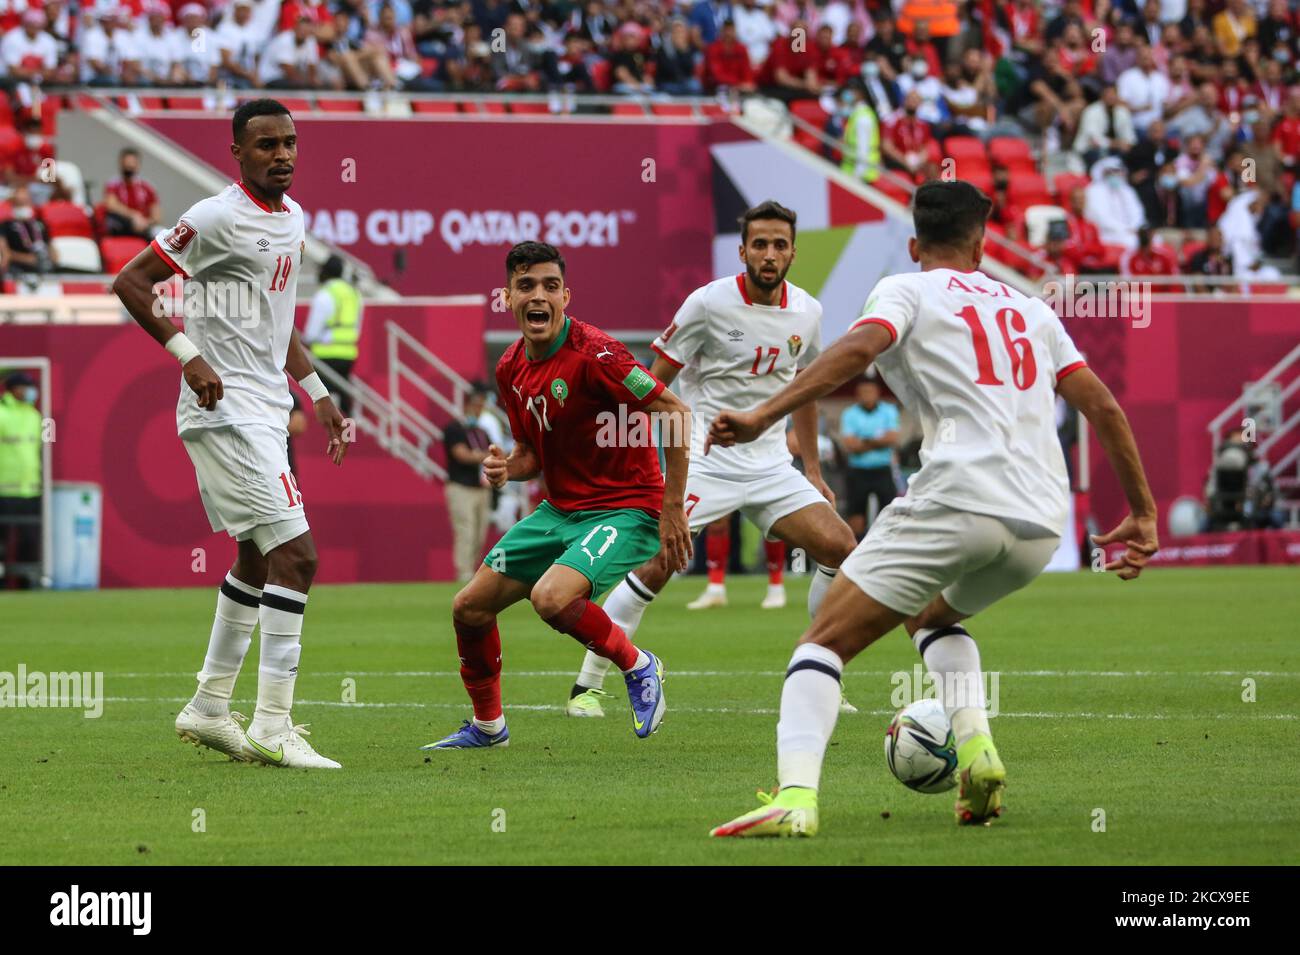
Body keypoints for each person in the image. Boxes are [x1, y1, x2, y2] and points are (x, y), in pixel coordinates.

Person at [708, 180, 1158, 837]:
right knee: (930, 615)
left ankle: (795, 797)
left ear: (915, 244)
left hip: (958, 497)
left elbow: (859, 349)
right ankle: (978, 752)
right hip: (1039, 521)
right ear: (981, 244)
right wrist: (1142, 512)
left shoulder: (906, 289)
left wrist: (760, 414)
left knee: (823, 641)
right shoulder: (1033, 310)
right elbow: (1104, 407)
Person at [112, 99, 350, 770]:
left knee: (255, 556)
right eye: (267, 144)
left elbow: (278, 325)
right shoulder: (214, 217)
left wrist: (321, 392)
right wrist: (188, 352)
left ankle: (210, 707)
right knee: (298, 557)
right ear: (237, 153)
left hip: (267, 409)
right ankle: (274, 722)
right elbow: (131, 280)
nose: (283, 154)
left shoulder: (294, 218)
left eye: (290, 142)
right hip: (225, 414)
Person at [563, 201, 858, 719]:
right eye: (760, 244)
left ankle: (822, 671)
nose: (769, 254)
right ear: (742, 250)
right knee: (659, 562)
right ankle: (588, 685)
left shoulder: (808, 312)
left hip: (771, 468)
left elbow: (806, 391)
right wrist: (645, 461)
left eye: (779, 245)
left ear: (793, 252)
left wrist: (812, 470)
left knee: (840, 548)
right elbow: (656, 383)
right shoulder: (707, 304)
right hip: (705, 461)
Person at [422, 241, 692, 749]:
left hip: (626, 506)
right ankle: (488, 728)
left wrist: (672, 507)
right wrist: (508, 467)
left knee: (551, 598)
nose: (538, 295)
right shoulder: (509, 369)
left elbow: (675, 412)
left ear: (566, 296)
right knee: (469, 608)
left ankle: (638, 665)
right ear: (508, 297)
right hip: (561, 511)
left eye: (550, 286)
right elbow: (531, 453)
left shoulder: (599, 354)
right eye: (526, 286)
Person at [302, 254, 362, 417]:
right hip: (348, 355)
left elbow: (311, 333)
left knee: (323, 398)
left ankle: (335, 430)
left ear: (327, 272)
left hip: (325, 355)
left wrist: (304, 341)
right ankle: (349, 430)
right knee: (343, 397)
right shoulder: (353, 293)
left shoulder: (325, 294)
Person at [443, 388, 493, 583]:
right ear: (466, 406)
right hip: (461, 488)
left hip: (481, 487)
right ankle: (463, 573)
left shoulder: (482, 431)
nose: (479, 410)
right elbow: (461, 454)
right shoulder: (454, 429)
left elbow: (495, 453)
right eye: (476, 406)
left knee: (480, 534)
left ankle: (471, 571)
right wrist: (484, 456)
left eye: (481, 406)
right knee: (466, 530)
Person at [839, 376, 898, 539]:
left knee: (889, 512)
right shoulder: (849, 414)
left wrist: (863, 441)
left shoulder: (888, 411)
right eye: (863, 392)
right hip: (858, 471)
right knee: (856, 513)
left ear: (877, 392)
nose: (867, 395)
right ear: (858, 394)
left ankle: (886, 547)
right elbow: (850, 445)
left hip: (882, 470)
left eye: (870, 391)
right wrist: (878, 441)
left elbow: (892, 438)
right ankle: (855, 550)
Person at [0, 370, 43, 589]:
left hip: (31, 490)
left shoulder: (37, 416)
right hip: (4, 490)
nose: (29, 392)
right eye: (24, 387)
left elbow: (48, 446)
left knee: (30, 540)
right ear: (13, 389)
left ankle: (29, 581)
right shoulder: (1, 414)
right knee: (2, 542)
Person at [103, 148, 163, 239]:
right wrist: (134, 216)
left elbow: (157, 216)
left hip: (144, 226)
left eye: (132, 164)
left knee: (161, 234)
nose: (129, 167)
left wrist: (145, 223)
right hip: (122, 224)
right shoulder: (113, 184)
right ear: (121, 164)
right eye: (126, 164)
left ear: (138, 165)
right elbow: (111, 205)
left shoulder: (147, 187)